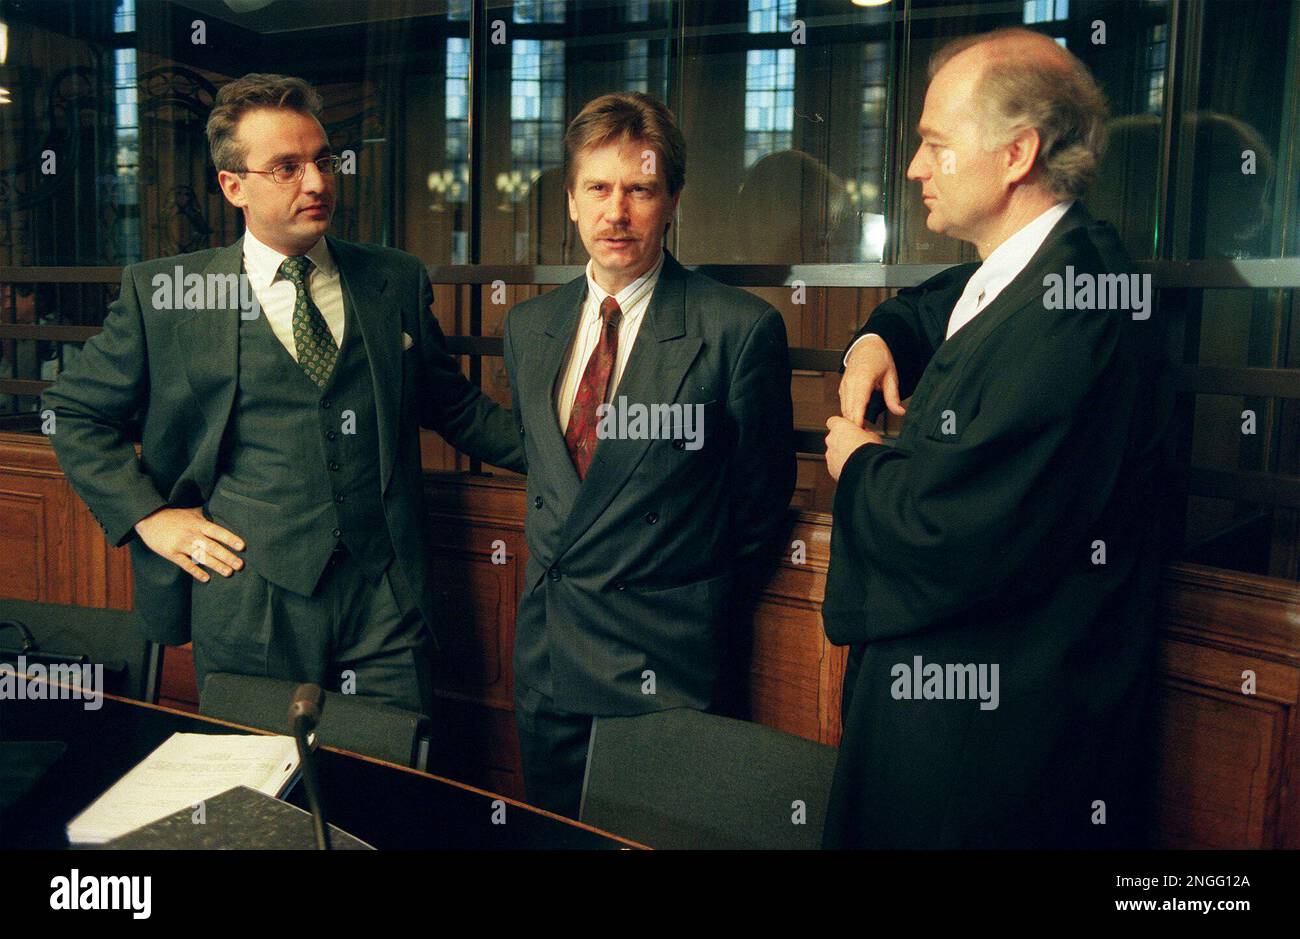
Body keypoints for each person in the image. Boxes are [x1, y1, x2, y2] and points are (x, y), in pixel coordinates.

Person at [41, 74, 524, 717]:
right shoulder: (166, 294)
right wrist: (147, 516)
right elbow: (72, 412)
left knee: (396, 791)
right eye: (287, 168)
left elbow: (453, 406)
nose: (319, 183)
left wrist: (574, 453)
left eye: (323, 161)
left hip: (386, 596)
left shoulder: (392, 279)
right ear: (233, 186)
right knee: (258, 800)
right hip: (249, 599)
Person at [822, 28, 1167, 848]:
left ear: (1017, 154)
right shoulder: (1034, 263)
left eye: (935, 145)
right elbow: (939, 303)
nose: (913, 168)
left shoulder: (1077, 306)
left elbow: (956, 530)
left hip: (991, 753)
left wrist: (858, 462)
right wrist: (876, 339)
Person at [502, 92, 795, 818]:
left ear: (671, 199)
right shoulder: (529, 326)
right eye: (598, 188)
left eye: (640, 189)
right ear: (570, 200)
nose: (617, 212)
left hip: (666, 666)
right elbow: (556, 474)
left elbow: (758, 509)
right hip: (548, 662)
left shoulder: (738, 329)